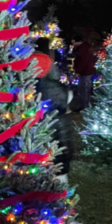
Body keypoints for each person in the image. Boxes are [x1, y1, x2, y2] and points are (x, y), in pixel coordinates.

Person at [32, 38, 73, 182]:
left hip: (34, 138)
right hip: (57, 133)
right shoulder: (57, 89)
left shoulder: (26, 90)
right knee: (58, 163)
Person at [71, 34, 95, 110]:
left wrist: (77, 72)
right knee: (85, 89)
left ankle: (85, 106)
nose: (73, 44)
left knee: (84, 89)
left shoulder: (83, 49)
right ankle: (85, 105)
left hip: (85, 72)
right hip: (86, 72)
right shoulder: (84, 48)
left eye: (74, 42)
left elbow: (83, 62)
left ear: (78, 42)